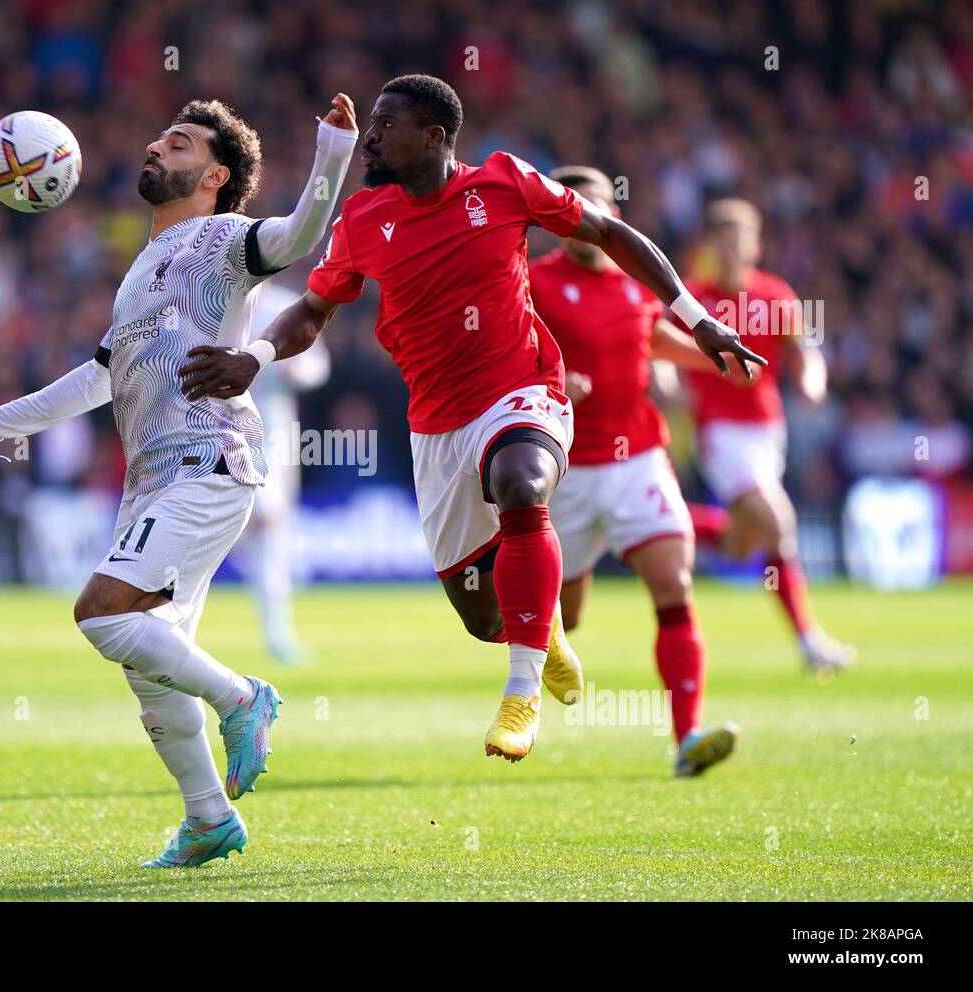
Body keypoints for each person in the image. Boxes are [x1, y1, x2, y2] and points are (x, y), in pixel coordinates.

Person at [177, 75, 763, 764]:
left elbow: (612, 232)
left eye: (386, 124)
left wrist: (697, 319)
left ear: (433, 136)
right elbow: (312, 311)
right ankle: (542, 632)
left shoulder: (506, 184)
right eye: (371, 122)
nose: (371, 135)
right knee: (480, 611)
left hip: (522, 386)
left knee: (521, 483)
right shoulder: (364, 220)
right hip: (436, 422)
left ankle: (521, 694)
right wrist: (257, 355)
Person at [0, 95, 358, 866]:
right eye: (160, 138)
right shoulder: (138, 275)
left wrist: (332, 148)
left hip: (208, 461)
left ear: (216, 175)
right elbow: (93, 382)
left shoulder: (226, 240)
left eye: (179, 144)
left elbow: (302, 234)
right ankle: (208, 818)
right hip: (152, 481)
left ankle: (242, 697)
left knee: (100, 612)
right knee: (147, 660)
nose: (158, 147)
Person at [529, 166, 740, 777]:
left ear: (611, 217)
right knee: (564, 620)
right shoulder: (532, 281)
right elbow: (500, 347)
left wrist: (710, 355)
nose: (585, 222)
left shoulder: (638, 280)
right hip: (563, 469)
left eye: (594, 210)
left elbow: (652, 338)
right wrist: (549, 377)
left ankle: (687, 737)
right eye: (571, 211)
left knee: (674, 586)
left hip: (638, 458)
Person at [680, 199, 856, 674]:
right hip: (720, 434)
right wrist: (668, 383)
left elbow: (805, 348)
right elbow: (660, 348)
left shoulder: (775, 293)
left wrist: (813, 379)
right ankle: (809, 641)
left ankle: (656, 520)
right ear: (712, 246)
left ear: (756, 244)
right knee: (779, 523)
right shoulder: (694, 298)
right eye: (725, 239)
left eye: (742, 238)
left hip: (767, 432)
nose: (735, 247)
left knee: (741, 542)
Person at [238, 278, 331, 664]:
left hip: (276, 438)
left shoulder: (284, 304)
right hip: (229, 430)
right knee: (263, 518)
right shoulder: (219, 301)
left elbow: (317, 365)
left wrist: (296, 371)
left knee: (272, 532)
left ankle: (278, 633)